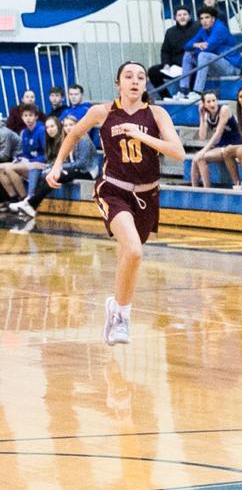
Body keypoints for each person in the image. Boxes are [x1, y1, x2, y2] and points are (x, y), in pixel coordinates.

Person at [46, 62, 185, 344]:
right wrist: (58, 163)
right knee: (133, 251)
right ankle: (122, 316)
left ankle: (114, 306)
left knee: (128, 255)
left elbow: (178, 153)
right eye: (128, 76)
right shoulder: (103, 111)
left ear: (146, 85)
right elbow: (73, 133)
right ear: (118, 83)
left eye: (140, 77)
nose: (135, 81)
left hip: (147, 195)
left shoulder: (156, 114)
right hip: (113, 189)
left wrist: (141, 135)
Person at [8, 118, 95, 218]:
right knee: (50, 174)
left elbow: (82, 164)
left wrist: (59, 167)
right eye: (66, 125)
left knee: (56, 174)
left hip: (88, 171)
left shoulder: (83, 139)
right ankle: (30, 204)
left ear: (77, 126)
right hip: (75, 169)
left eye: (71, 125)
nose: (68, 128)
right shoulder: (68, 139)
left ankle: (29, 203)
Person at [176, 5, 238, 102]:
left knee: (203, 55)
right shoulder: (203, 30)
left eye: (207, 17)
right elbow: (186, 46)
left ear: (213, 19)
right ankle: (183, 90)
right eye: (201, 18)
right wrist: (196, 44)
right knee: (188, 54)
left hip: (230, 66)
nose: (204, 21)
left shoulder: (220, 28)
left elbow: (208, 47)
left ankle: (198, 92)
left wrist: (197, 47)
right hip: (215, 64)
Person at [190, 91, 241, 188]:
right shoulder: (206, 115)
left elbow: (218, 133)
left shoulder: (224, 110)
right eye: (208, 102)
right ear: (204, 104)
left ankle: (207, 190)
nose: (212, 104)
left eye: (214, 100)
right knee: (194, 159)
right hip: (221, 144)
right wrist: (201, 116)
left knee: (201, 158)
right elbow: (202, 136)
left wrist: (203, 151)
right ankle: (194, 190)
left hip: (233, 143)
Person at [148, 5, 198, 97]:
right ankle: (166, 97)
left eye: (185, 14)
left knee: (194, 70)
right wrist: (166, 64)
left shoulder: (197, 28)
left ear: (190, 16)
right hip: (175, 66)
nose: (182, 17)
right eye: (179, 15)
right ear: (175, 17)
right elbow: (165, 51)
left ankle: (189, 94)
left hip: (192, 63)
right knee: (153, 71)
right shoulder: (170, 32)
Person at [0, 106, 47, 202]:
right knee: (0, 168)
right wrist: (19, 158)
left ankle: (24, 199)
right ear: (22, 117)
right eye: (25, 116)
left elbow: (47, 155)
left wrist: (29, 160)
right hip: (29, 163)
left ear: (36, 117)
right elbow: (25, 153)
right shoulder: (24, 132)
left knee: (9, 168)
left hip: (41, 164)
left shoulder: (42, 130)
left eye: (30, 115)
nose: (28, 118)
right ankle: (13, 198)